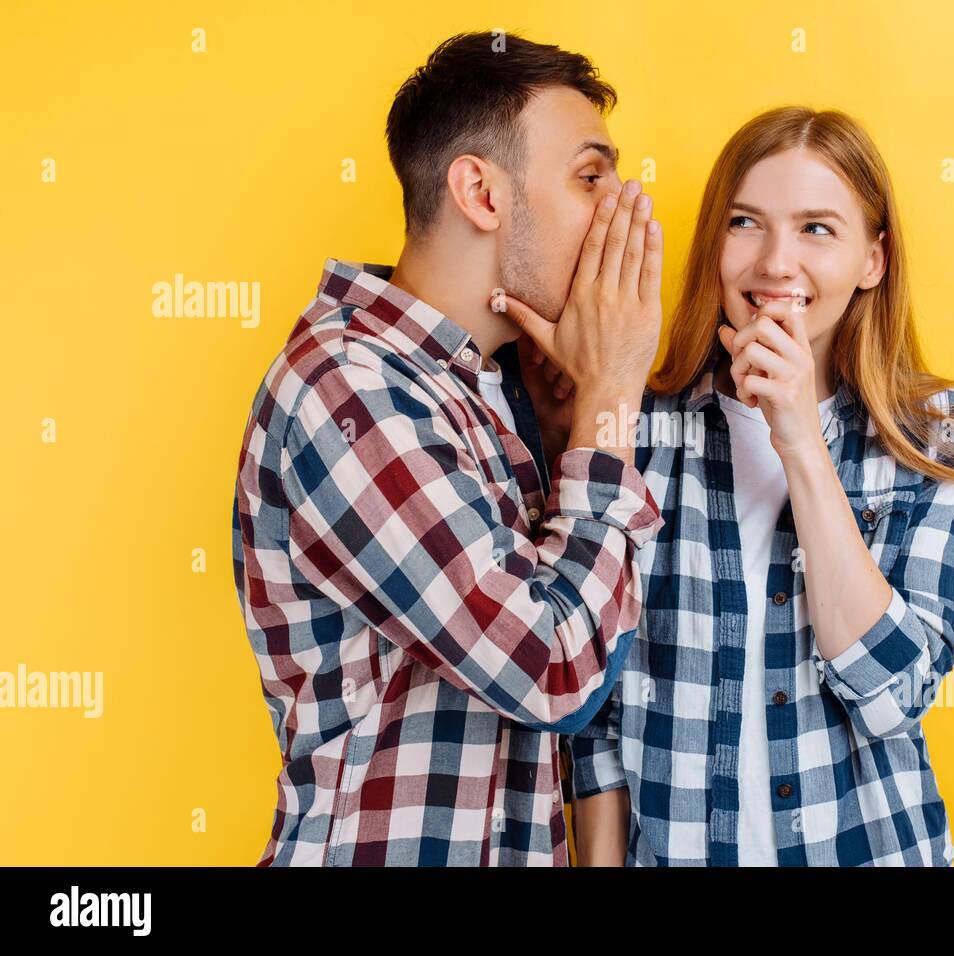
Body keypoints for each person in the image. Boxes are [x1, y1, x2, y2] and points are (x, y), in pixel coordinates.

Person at [231, 31, 664, 866]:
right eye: (590, 175)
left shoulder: (486, 392)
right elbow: (551, 672)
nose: (625, 206)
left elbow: (590, 661)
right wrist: (613, 398)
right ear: (480, 192)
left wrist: (570, 425)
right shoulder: (347, 392)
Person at [566, 106, 954, 866]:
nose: (774, 262)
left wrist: (799, 435)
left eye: (817, 229)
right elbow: (596, 705)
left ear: (874, 261)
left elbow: (893, 692)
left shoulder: (938, 433)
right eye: (745, 223)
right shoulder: (636, 425)